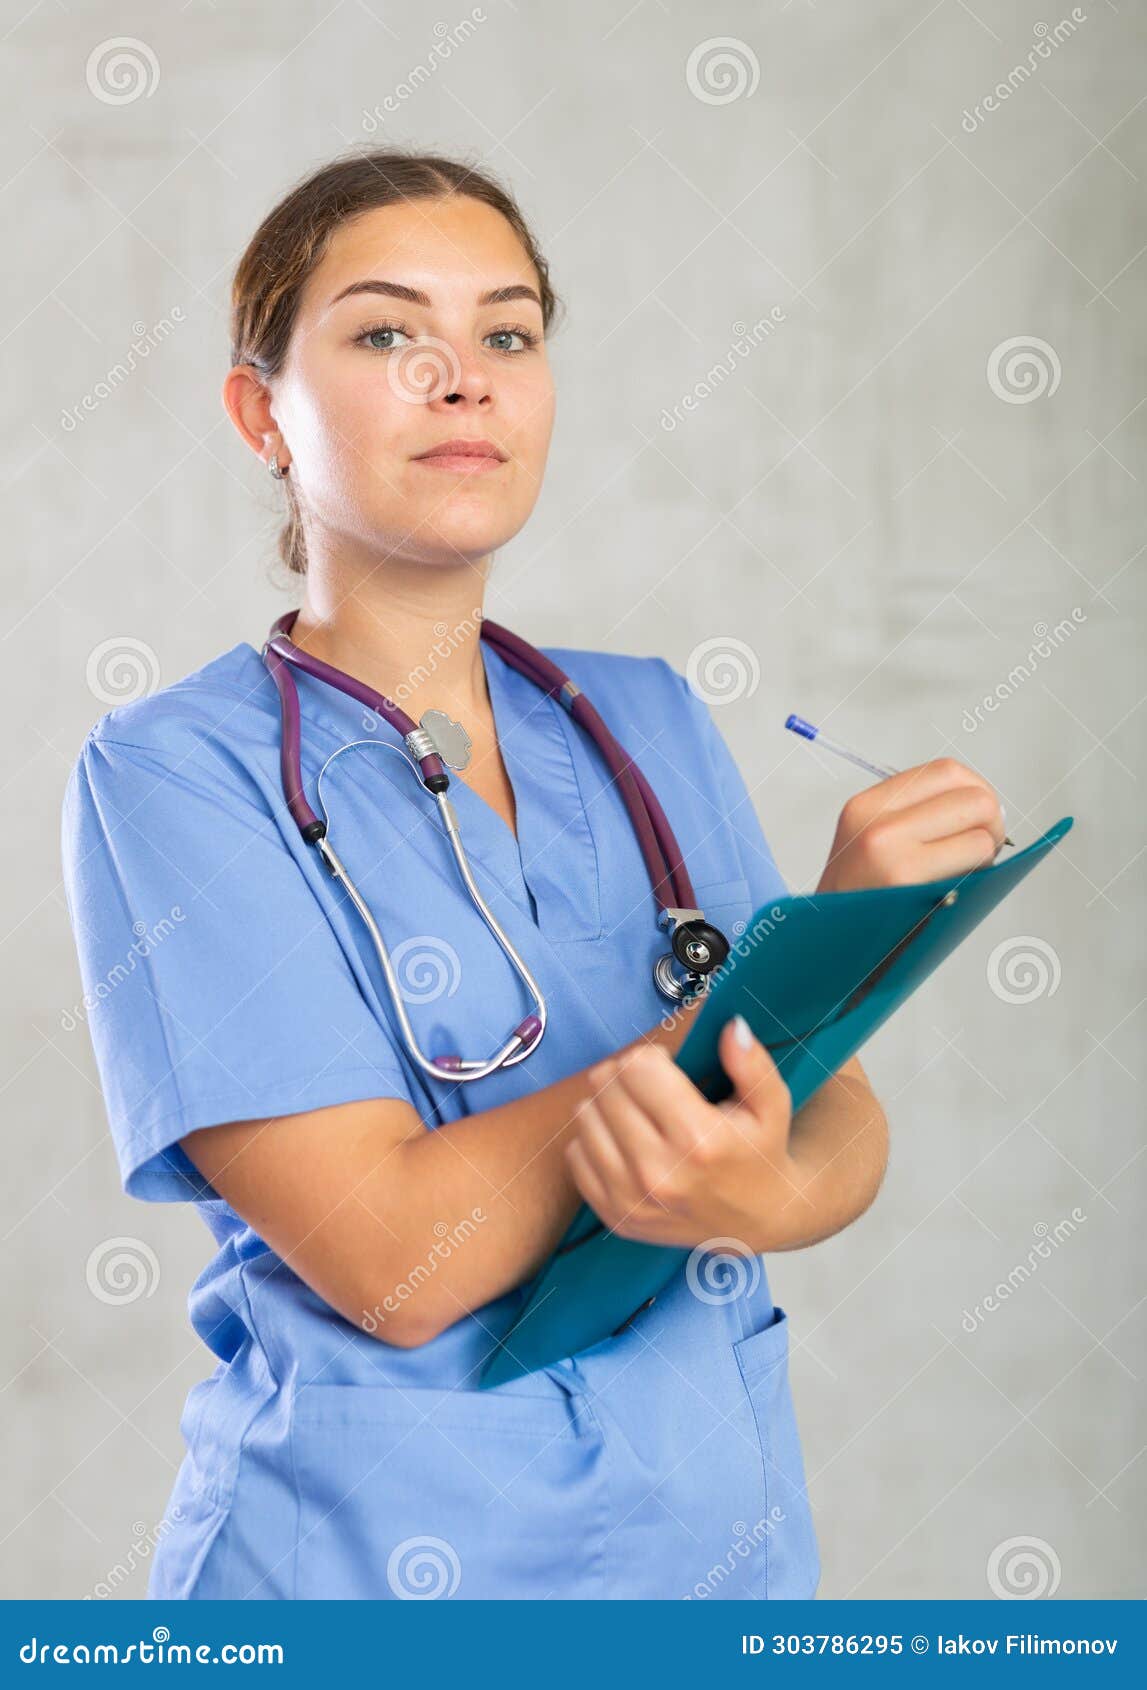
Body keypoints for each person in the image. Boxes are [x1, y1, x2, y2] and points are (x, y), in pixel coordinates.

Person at [60, 147, 1006, 1601]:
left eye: (508, 331)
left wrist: (756, 1181)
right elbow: (393, 1255)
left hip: (715, 1563)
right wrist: (739, 1040)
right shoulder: (173, 774)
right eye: (389, 334)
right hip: (370, 1576)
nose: (467, 379)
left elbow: (840, 1133)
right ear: (261, 412)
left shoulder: (646, 720)